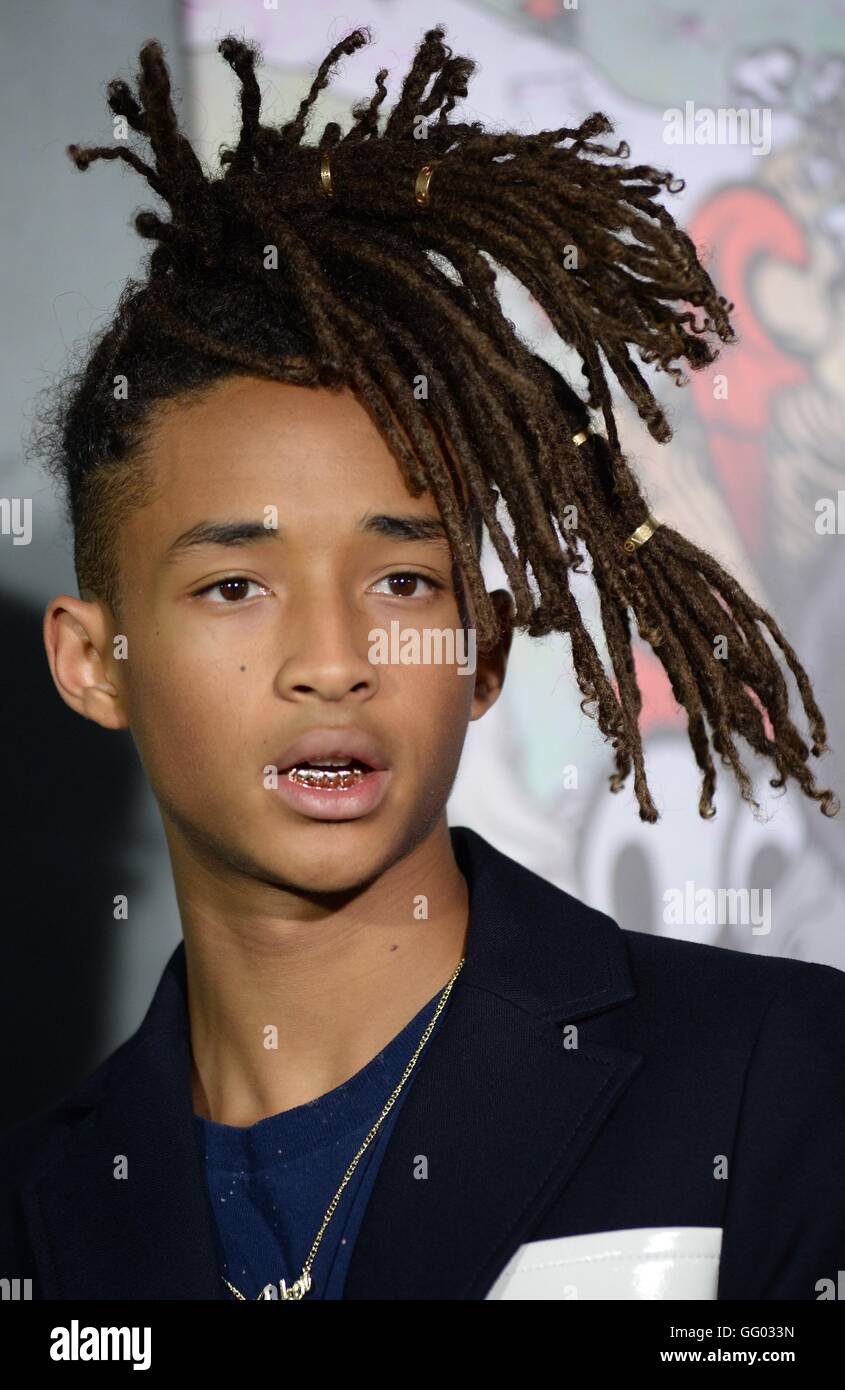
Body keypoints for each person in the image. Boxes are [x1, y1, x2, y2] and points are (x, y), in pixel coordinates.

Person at [2, 25, 843, 1301]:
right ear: (90, 661)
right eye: (235, 586)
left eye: (402, 579)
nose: (334, 661)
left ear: (482, 650)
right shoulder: (36, 1216)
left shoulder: (781, 1079)